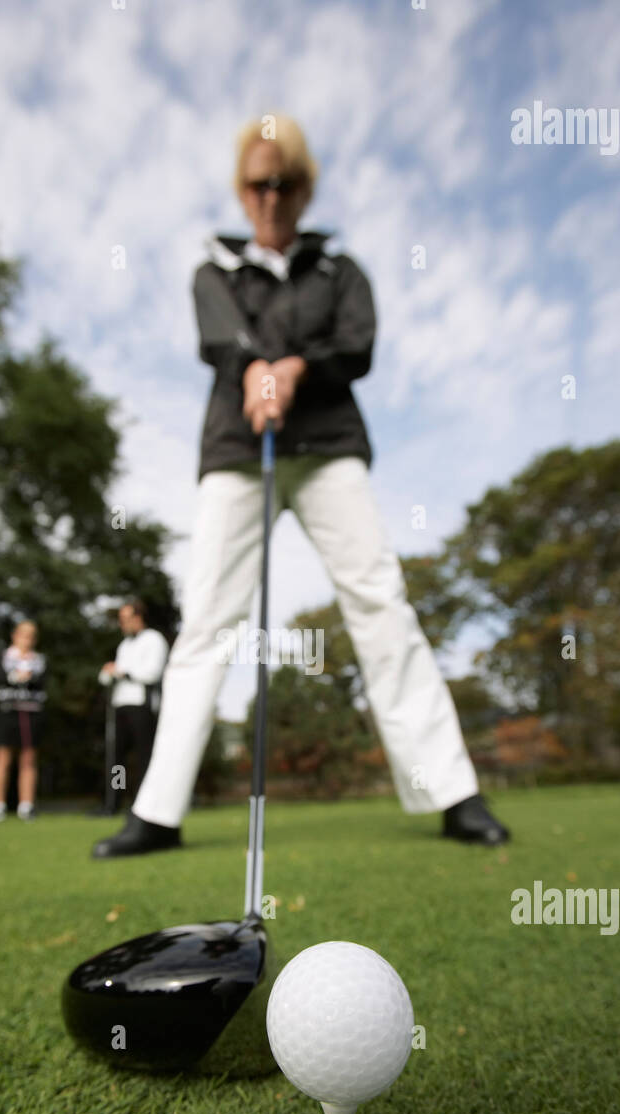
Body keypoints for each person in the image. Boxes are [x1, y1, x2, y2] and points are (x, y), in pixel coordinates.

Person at [92, 115, 509, 859]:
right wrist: (256, 368)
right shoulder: (213, 269)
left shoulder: (339, 272)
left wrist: (294, 369)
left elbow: (357, 346)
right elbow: (221, 341)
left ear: (306, 188)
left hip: (329, 447)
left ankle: (454, 792)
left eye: (285, 183)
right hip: (236, 450)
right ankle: (155, 812)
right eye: (259, 183)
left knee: (380, 602)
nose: (272, 197)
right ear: (241, 190)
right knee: (208, 621)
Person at [97, 599, 168, 807]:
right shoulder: (124, 645)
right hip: (120, 705)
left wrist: (123, 672)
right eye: (121, 620)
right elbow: (106, 678)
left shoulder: (154, 639)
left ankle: (144, 803)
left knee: (144, 756)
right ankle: (114, 802)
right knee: (117, 759)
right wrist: (109, 671)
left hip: (142, 706)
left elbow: (153, 673)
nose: (123, 624)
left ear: (139, 618)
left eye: (127, 619)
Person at [0, 620, 46, 821]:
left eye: (31, 635)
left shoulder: (39, 660)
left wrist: (28, 677)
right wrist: (15, 677)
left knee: (29, 759)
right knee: (2, 757)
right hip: (8, 712)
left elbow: (41, 682)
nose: (27, 639)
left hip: (31, 713)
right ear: (15, 635)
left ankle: (26, 805)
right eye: (24, 634)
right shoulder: (4, 657)